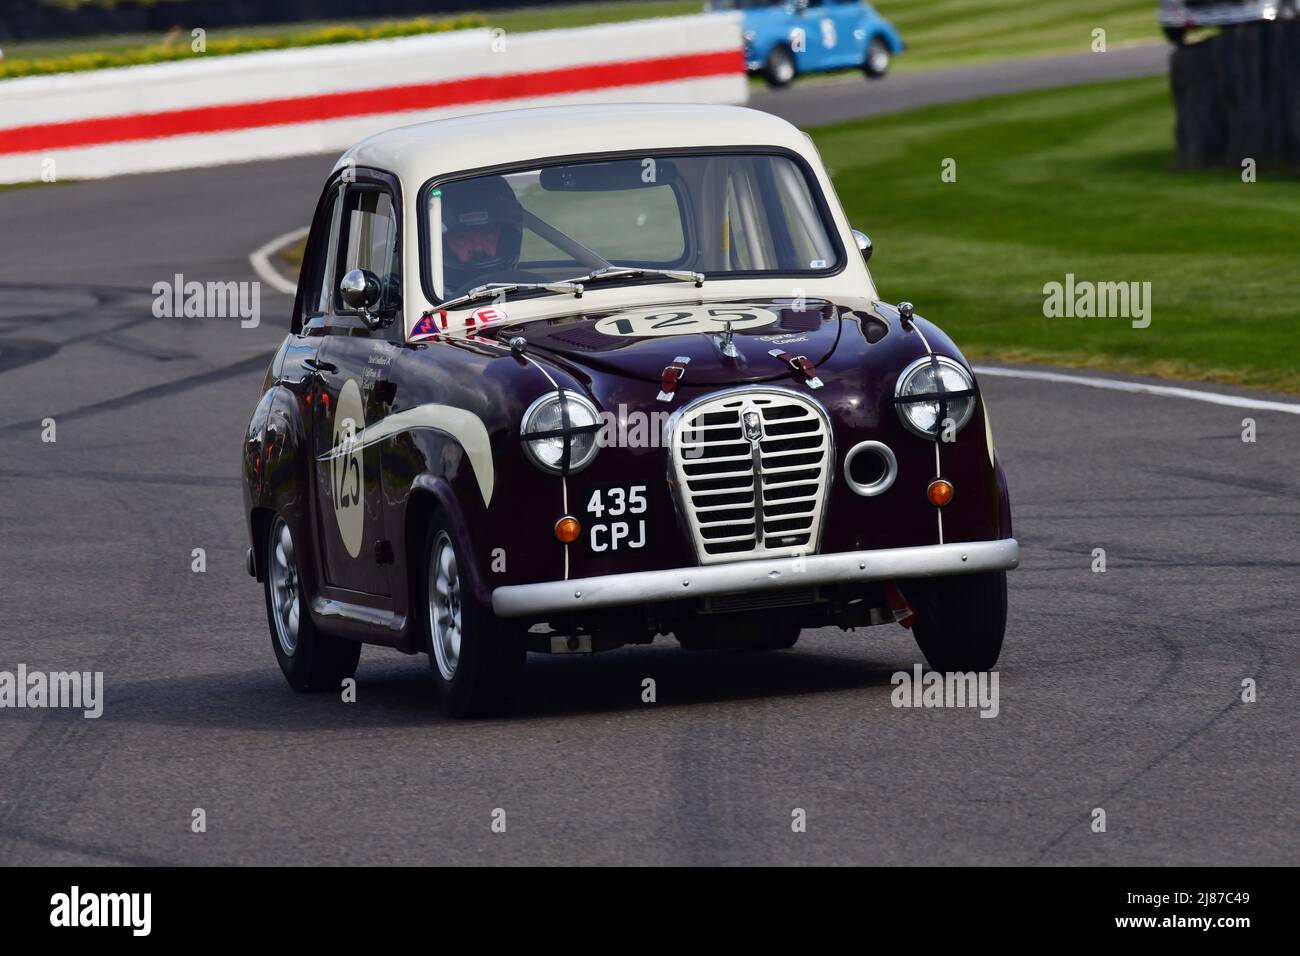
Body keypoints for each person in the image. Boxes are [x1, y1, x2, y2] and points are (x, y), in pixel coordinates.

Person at [439, 176, 524, 296]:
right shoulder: (426, 303)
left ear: (505, 239)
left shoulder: (533, 290)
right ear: (443, 246)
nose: (478, 247)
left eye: (488, 235)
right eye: (463, 238)